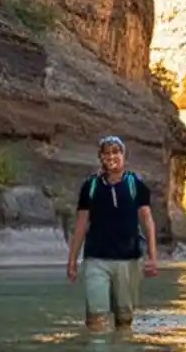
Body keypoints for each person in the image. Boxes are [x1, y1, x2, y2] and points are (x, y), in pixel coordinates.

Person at [66, 135, 159, 332]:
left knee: (124, 320)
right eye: (106, 153)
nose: (111, 157)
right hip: (96, 259)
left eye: (116, 152)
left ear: (123, 155)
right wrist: (72, 261)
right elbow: (81, 224)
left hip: (129, 260)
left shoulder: (136, 184)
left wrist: (152, 256)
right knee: (96, 318)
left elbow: (147, 220)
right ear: (100, 157)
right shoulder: (90, 186)